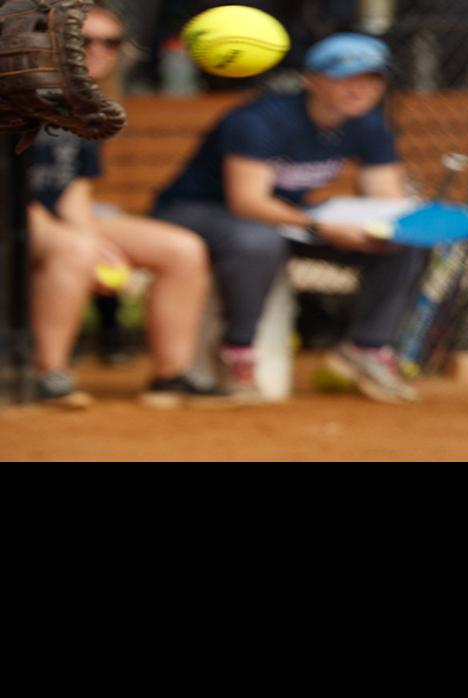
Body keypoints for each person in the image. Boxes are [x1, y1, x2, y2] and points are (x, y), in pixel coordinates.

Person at [153, 33, 427, 404]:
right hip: (198, 210)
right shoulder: (260, 120)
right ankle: (236, 350)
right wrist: (319, 227)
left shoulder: (368, 123)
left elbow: (385, 198)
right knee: (258, 241)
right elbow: (247, 202)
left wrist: (389, 227)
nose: (361, 88)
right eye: (346, 77)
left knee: (400, 243)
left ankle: (366, 348)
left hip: (282, 215)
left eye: (372, 78)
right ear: (311, 80)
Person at [26, 0, 223, 409]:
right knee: (74, 249)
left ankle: (171, 376)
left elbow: (74, 188)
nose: (98, 50)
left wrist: (93, 239)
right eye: (83, 40)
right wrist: (82, 243)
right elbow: (13, 193)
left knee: (182, 249)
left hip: (51, 219)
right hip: (16, 216)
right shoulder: (18, 97)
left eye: (111, 42)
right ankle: (50, 375)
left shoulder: (85, 105)